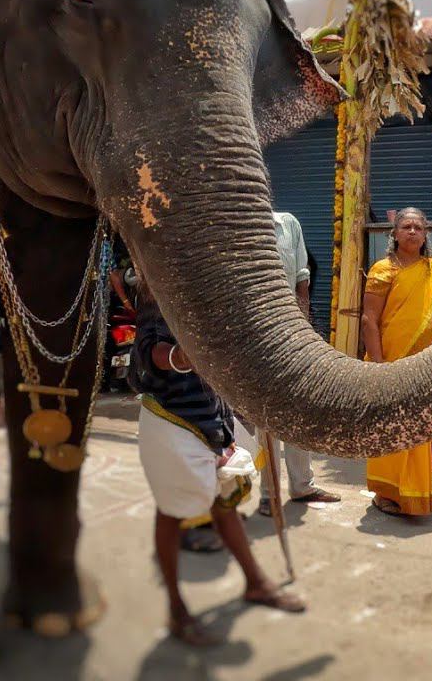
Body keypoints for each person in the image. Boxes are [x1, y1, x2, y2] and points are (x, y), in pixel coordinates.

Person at [130, 283, 303, 646]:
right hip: (173, 420)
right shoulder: (155, 290)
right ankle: (177, 609)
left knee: (224, 504)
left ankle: (255, 584)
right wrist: (183, 356)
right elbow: (149, 352)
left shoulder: (209, 291)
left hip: (213, 417)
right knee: (172, 513)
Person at [361, 208, 432, 516]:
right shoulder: (382, 270)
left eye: (418, 228)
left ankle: (415, 492)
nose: (412, 232)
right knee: (391, 431)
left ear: (425, 235)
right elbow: (369, 320)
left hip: (428, 366)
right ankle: (387, 492)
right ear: (395, 234)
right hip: (391, 364)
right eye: (406, 227)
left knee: (420, 431)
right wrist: (378, 364)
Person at [257, 211, 342, 517]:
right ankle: (269, 493)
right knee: (265, 416)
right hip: (257, 334)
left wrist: (302, 324)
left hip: (292, 329)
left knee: (299, 409)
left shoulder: (289, 223)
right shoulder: (239, 225)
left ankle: (302, 486)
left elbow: (301, 277)